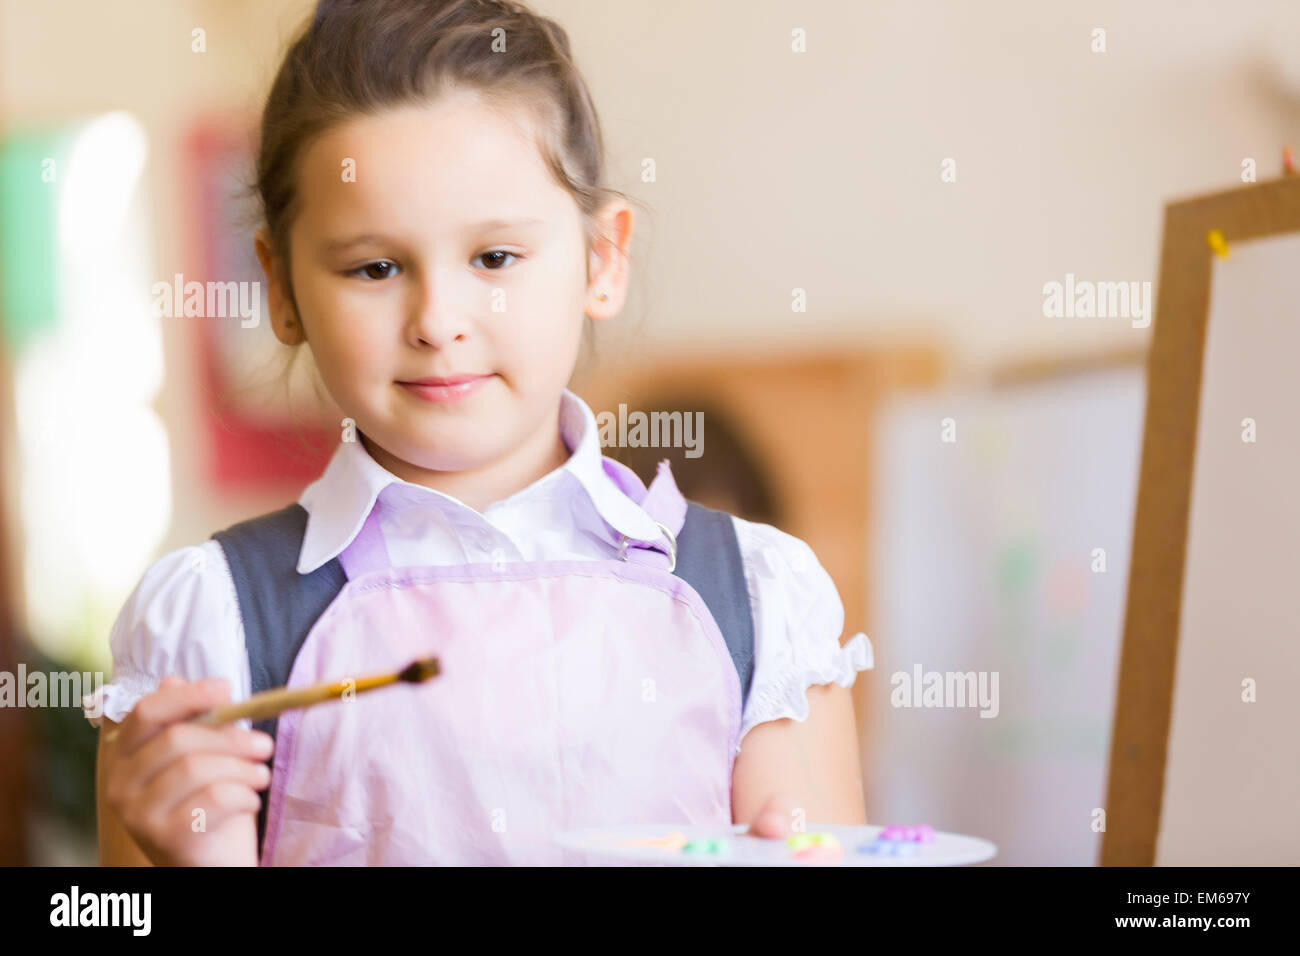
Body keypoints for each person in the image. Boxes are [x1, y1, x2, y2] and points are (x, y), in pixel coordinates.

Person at [88, 0, 873, 866]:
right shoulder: (212, 624)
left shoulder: (758, 601)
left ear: (601, 260)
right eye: (375, 267)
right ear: (281, 290)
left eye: (495, 258)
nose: (438, 320)